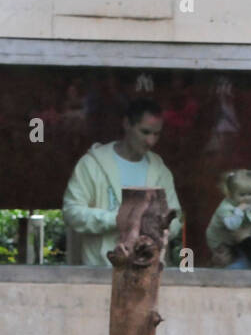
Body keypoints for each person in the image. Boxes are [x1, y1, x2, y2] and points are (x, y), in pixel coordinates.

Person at [62, 98, 182, 266]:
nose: (151, 141)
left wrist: (158, 225)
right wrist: (118, 219)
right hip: (100, 272)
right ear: (126, 124)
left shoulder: (160, 169)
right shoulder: (91, 164)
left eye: (156, 134)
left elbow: (176, 219)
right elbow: (71, 212)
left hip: (149, 273)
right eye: (145, 132)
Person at [205, 169, 251, 264]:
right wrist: (239, 211)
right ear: (231, 195)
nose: (247, 198)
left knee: (243, 251)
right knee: (225, 257)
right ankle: (215, 264)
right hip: (219, 237)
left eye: (250, 193)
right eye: (242, 195)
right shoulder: (225, 208)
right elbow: (232, 225)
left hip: (234, 234)